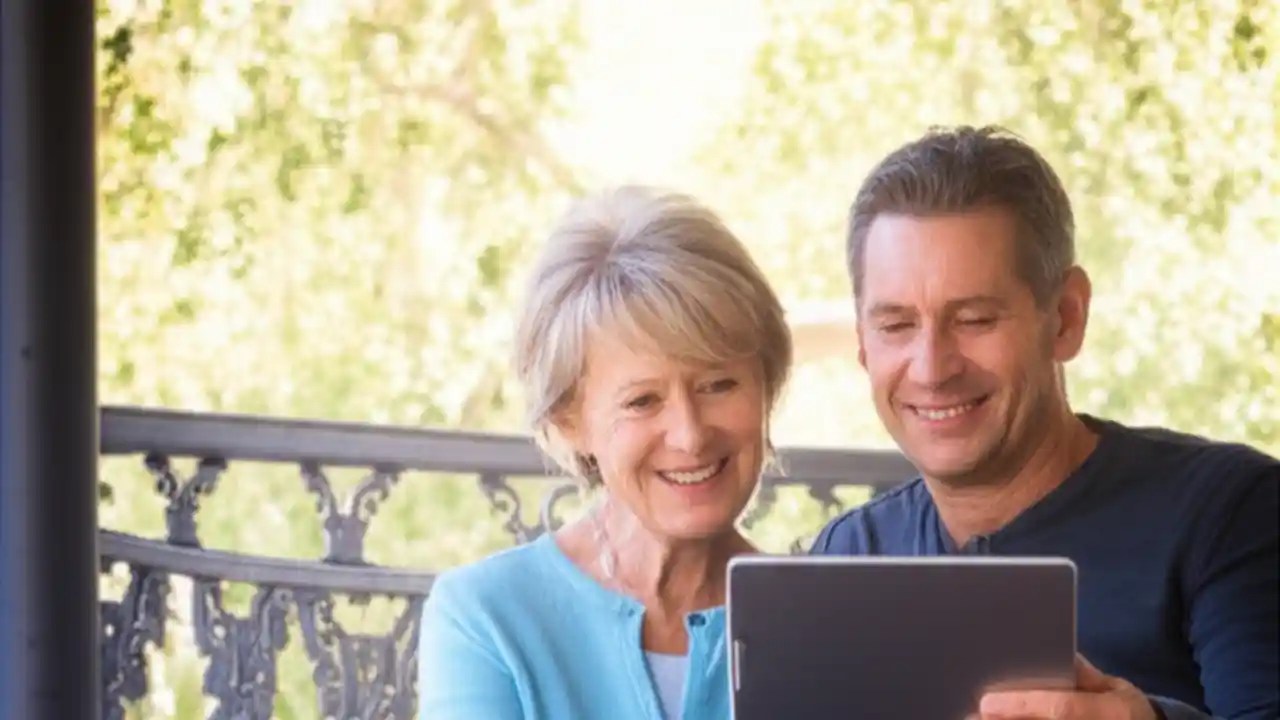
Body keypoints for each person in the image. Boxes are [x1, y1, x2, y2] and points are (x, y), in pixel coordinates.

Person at [811, 125, 1279, 720]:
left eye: (975, 318)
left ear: (1065, 317)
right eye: (896, 326)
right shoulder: (847, 559)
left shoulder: (1231, 514)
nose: (931, 368)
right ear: (861, 343)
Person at [416, 186, 793, 719]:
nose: (689, 434)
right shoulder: (485, 618)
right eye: (643, 401)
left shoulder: (813, 624)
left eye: (719, 384)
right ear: (570, 421)